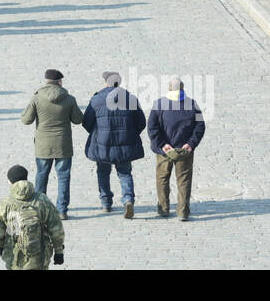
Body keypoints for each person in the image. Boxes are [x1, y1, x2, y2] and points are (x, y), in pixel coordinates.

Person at [21, 68, 84, 219]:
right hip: (63, 144)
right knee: (63, 176)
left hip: (43, 144)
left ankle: (39, 208)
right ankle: (62, 209)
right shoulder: (69, 99)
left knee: (42, 175)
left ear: (46, 81)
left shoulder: (36, 98)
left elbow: (26, 120)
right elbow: (78, 119)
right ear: (60, 82)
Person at [83, 70, 145, 217]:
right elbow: (141, 122)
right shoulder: (130, 99)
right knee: (125, 173)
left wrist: (98, 132)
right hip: (125, 143)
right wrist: (130, 133)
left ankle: (106, 202)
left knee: (103, 172)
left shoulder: (97, 99)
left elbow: (86, 123)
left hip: (102, 144)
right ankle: (128, 199)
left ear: (106, 83)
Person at [146, 76, 206, 220]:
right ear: (183, 89)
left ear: (168, 89)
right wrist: (191, 144)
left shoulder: (159, 104)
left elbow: (152, 127)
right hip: (184, 151)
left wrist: (162, 144)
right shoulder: (192, 105)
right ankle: (183, 211)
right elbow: (200, 127)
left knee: (162, 178)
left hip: (164, 151)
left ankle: (163, 209)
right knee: (184, 180)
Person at [0, 164, 65, 270]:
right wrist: (59, 251)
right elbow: (56, 228)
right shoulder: (42, 200)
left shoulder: (5, 204)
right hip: (40, 257)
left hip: (14, 257)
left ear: (10, 182)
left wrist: (2, 246)